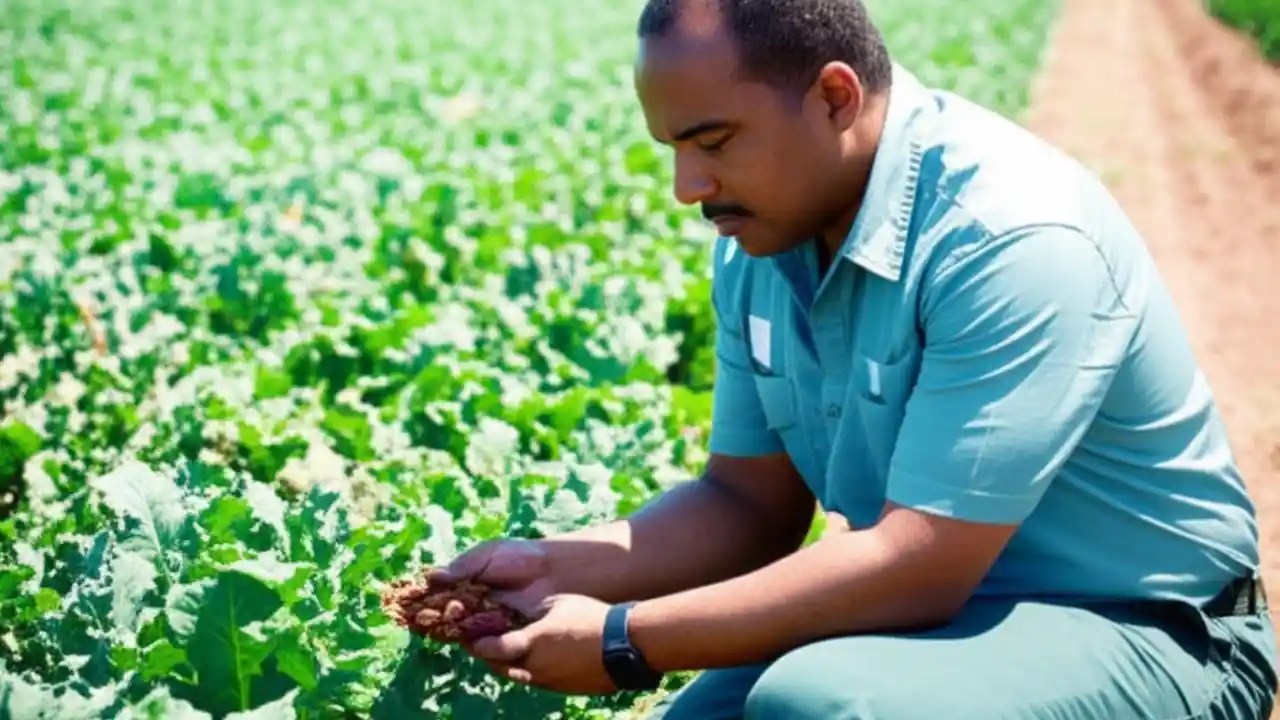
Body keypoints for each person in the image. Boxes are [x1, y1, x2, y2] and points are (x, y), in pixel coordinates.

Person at [432, 0, 1279, 716]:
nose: (687, 187)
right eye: (674, 150)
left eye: (715, 141)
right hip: (935, 624)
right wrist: (553, 565)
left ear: (836, 96)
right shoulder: (760, 242)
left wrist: (624, 641)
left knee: (823, 704)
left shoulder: (1009, 234)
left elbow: (921, 565)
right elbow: (746, 503)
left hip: (1155, 630)